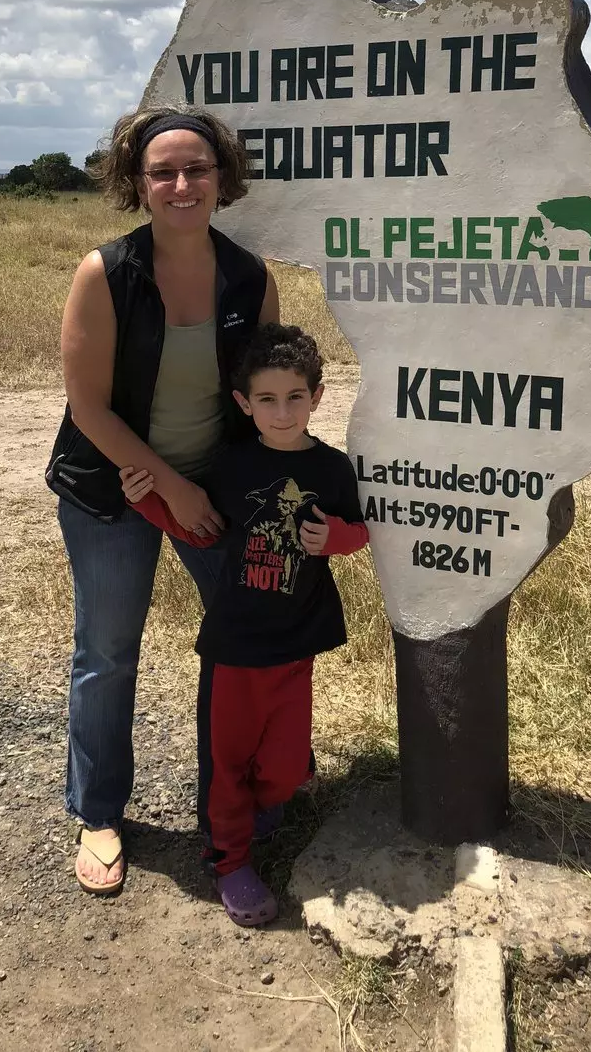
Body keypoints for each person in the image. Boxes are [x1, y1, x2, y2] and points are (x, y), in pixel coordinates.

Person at [46, 107, 279, 896]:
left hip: (210, 486)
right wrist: (162, 481)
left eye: (198, 169)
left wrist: (240, 490)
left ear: (222, 178)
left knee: (239, 640)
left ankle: (235, 800)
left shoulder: (250, 277)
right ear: (136, 183)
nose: (183, 185)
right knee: (107, 652)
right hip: (112, 486)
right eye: (163, 172)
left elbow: (260, 397)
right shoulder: (105, 272)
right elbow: (90, 408)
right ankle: (101, 811)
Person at [119, 324, 369, 926]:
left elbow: (362, 531)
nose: (282, 412)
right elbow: (197, 528)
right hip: (234, 649)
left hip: (297, 646)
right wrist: (145, 502)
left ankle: (264, 800)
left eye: (294, 397)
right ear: (243, 403)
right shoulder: (230, 466)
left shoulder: (335, 470)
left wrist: (334, 538)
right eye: (266, 399)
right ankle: (230, 859)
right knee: (228, 763)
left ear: (317, 396)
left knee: (286, 768)